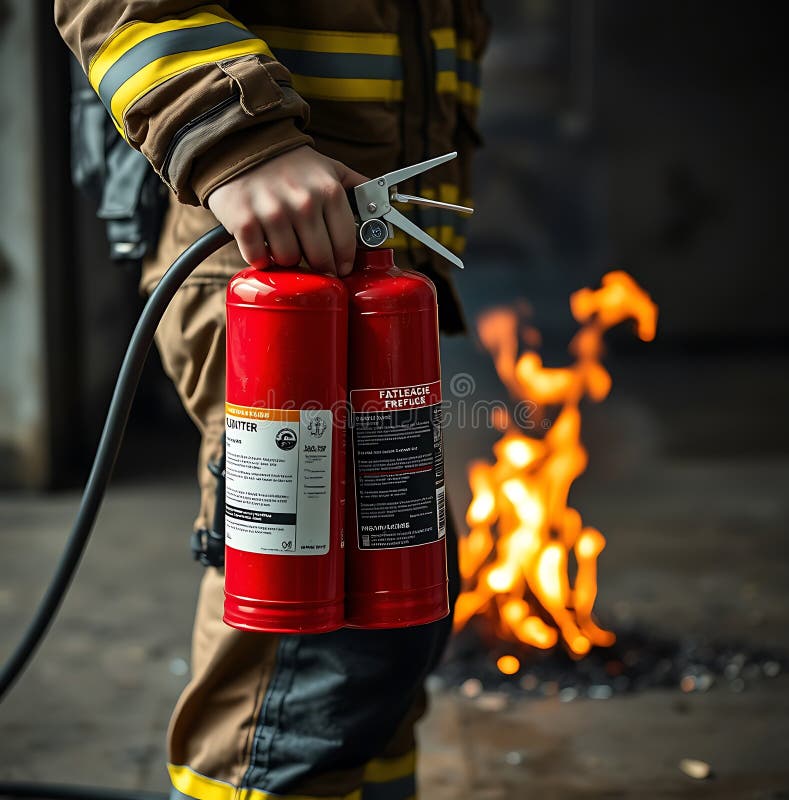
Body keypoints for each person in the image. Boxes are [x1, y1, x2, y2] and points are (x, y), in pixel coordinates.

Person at [56, 3, 489, 798]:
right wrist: (241, 143)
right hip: (267, 248)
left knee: (392, 608)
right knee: (304, 646)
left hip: (357, 250)